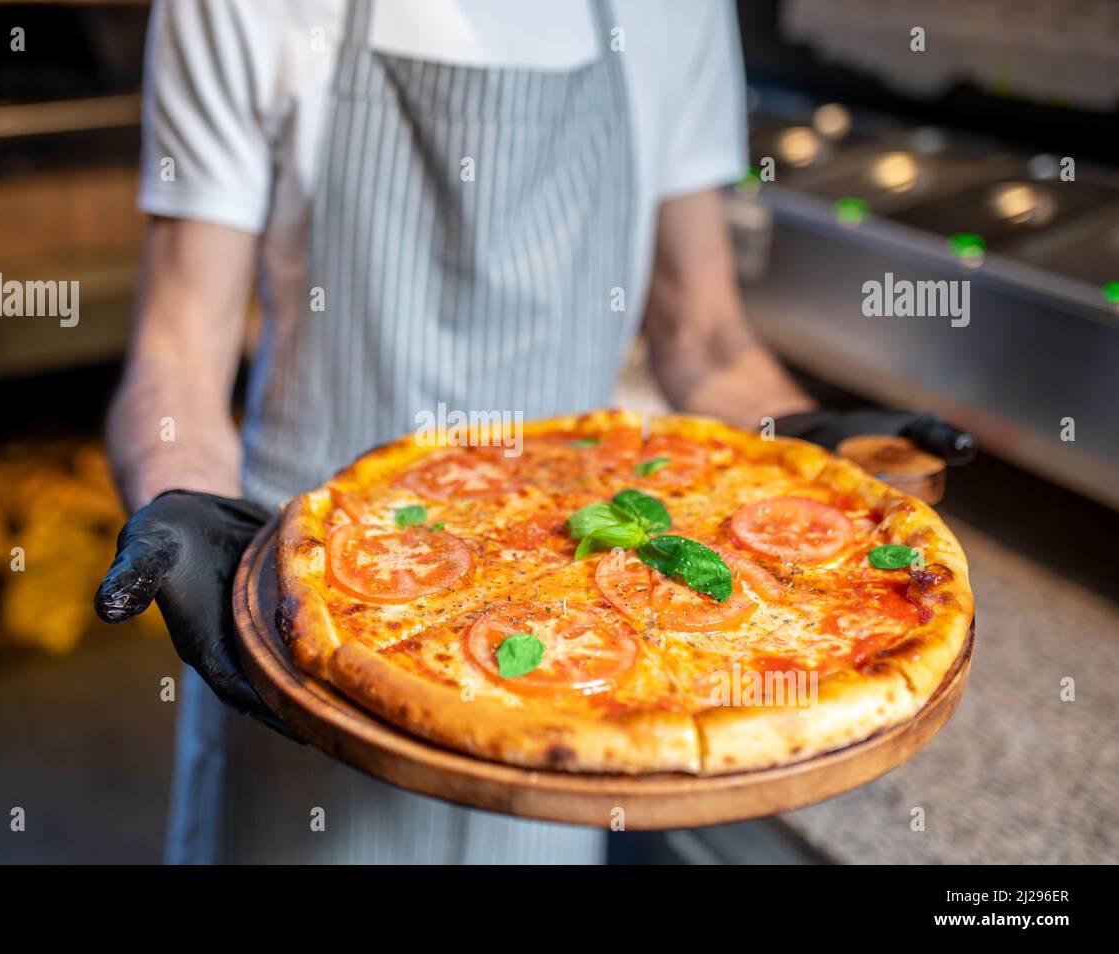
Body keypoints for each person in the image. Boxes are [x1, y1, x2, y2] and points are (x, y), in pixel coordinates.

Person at [94, 0, 965, 864]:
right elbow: (176, 346)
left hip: (587, 658)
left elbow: (704, 339)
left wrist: (806, 451)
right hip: (298, 603)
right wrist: (181, 495)